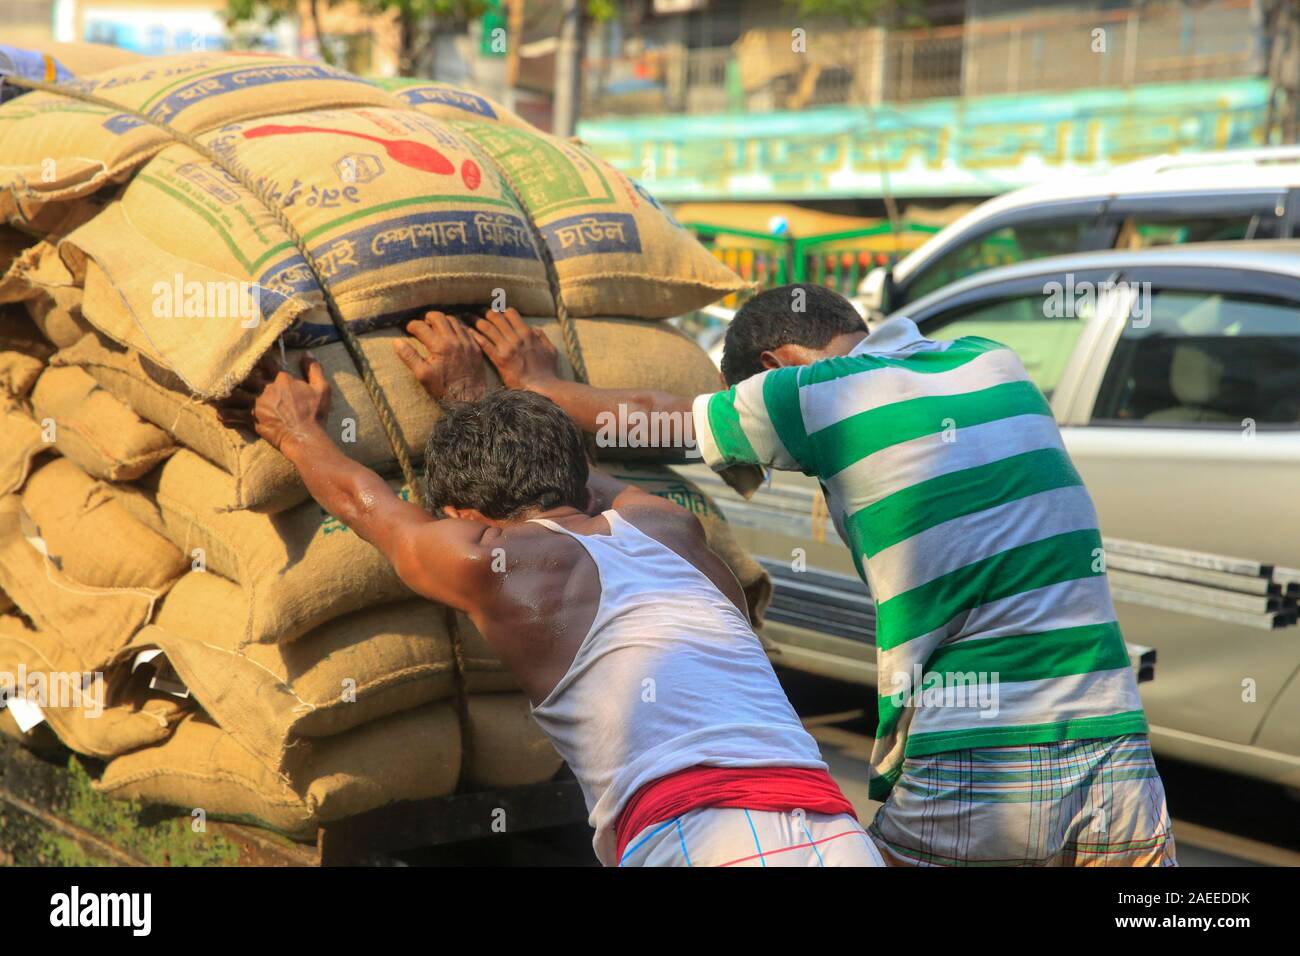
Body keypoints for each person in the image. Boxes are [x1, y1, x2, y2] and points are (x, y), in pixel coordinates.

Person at [464, 287, 1177, 867]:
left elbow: (649, 422)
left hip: (979, 747)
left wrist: (539, 384)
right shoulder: (994, 360)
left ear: (777, 363)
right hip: (1114, 737)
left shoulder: (811, 394)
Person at [217, 313, 884, 868]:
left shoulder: (486, 560)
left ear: (464, 518)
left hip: (702, 838)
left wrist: (295, 429)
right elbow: (575, 475)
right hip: (836, 829)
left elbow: (366, 506)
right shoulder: (672, 526)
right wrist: (484, 397)